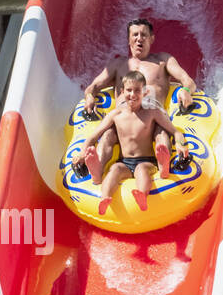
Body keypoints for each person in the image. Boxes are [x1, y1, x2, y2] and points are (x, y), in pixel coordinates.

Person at [80, 18, 197, 179]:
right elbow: (93, 86)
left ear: (152, 38)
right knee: (107, 135)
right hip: (123, 114)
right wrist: (89, 97)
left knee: (162, 134)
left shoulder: (163, 61)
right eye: (135, 35)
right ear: (128, 39)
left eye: (144, 35)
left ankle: (165, 166)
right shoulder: (118, 64)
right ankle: (96, 170)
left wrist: (185, 90)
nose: (139, 38)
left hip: (152, 112)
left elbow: (188, 81)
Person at [80, 72, 189, 215]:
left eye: (137, 90)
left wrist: (181, 143)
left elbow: (176, 132)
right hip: (124, 161)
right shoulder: (116, 114)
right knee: (115, 170)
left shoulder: (152, 112)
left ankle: (143, 194)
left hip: (147, 161)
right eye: (129, 90)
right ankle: (104, 194)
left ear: (145, 92)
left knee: (141, 170)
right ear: (121, 91)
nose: (132, 94)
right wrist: (82, 153)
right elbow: (93, 137)